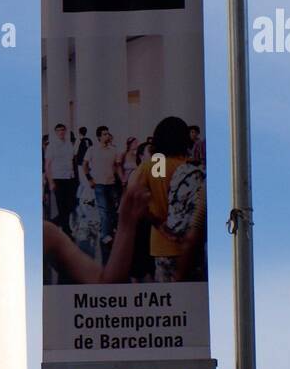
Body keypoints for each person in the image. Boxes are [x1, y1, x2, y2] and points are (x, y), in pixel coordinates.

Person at [128, 115, 206, 282]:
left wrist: (157, 222)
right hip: (193, 248)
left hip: (163, 244)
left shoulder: (157, 164)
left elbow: (131, 198)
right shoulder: (192, 165)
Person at [82, 125, 119, 257]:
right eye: (104, 134)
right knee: (103, 210)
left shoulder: (113, 150)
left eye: (108, 134)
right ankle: (104, 235)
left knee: (111, 210)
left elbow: (116, 165)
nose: (107, 136)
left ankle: (107, 231)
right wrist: (89, 179)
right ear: (99, 137)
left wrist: (121, 179)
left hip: (111, 183)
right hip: (99, 183)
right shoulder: (92, 150)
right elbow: (85, 165)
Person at [45, 122, 76, 234]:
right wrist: (50, 181)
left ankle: (55, 223)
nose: (61, 132)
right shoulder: (52, 146)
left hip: (69, 178)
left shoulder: (69, 145)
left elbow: (72, 161)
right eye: (59, 130)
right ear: (56, 132)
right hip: (58, 178)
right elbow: (47, 165)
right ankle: (66, 229)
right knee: (62, 205)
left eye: (63, 130)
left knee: (70, 205)